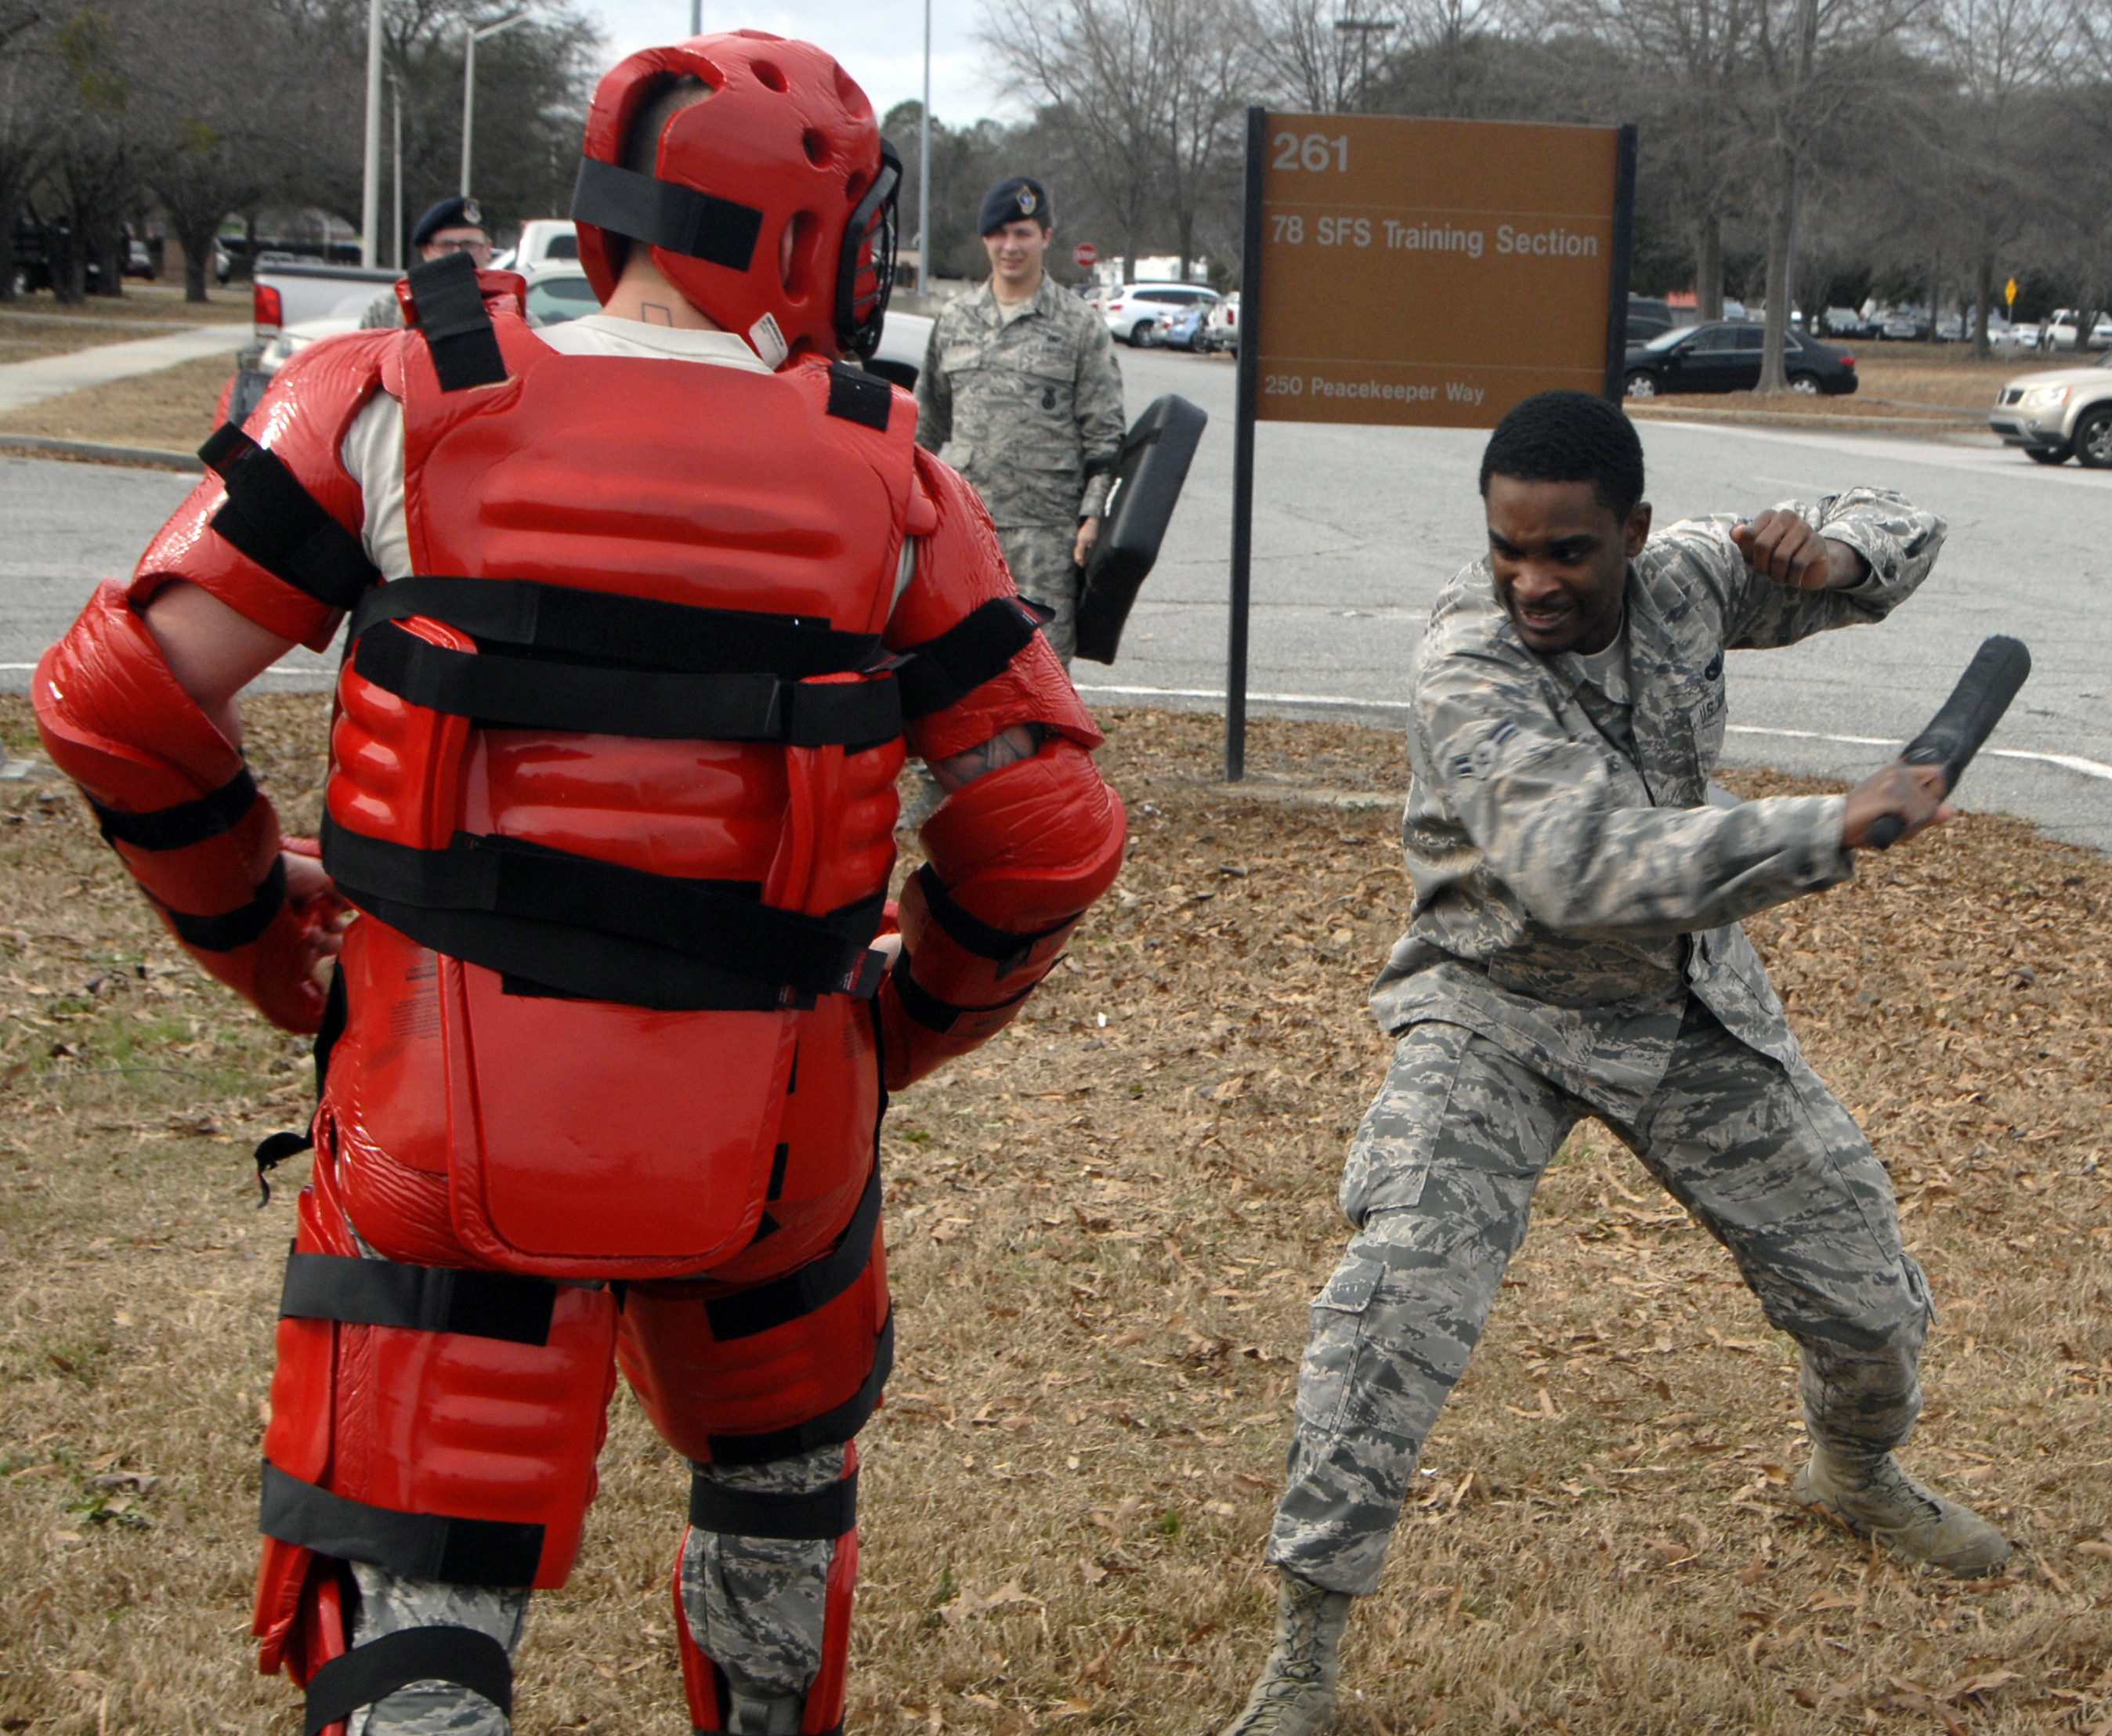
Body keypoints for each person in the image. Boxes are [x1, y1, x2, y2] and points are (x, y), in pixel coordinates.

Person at [34, 32, 1125, 1736]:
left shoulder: (389, 402)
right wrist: (887, 1032)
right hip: (779, 1128)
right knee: (776, 1517)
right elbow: (1044, 834)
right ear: (801, 234)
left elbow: (117, 698)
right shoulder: (895, 480)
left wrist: (261, 931)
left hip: (439, 1110)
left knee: (417, 1611)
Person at [1217, 391, 2009, 1736]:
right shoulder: (1468, 665)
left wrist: (1829, 556)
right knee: (1394, 1308)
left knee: (1870, 1300)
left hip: (1685, 1009)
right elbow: (1581, 866)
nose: (1532, 581)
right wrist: (1827, 826)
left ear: (1633, 533)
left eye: (1567, 553)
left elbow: (1909, 525)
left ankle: (1854, 1471)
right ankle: (1302, 1661)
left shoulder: (1689, 580)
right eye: (1507, 548)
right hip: (1497, 1013)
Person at [914, 175, 1125, 667]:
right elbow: (926, 424)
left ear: (1046, 237)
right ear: (985, 239)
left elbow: (1104, 434)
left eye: (1024, 233)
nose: (1011, 246)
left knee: (1041, 677)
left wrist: (1093, 516)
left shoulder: (1079, 325)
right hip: (967, 532)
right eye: (1000, 233)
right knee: (963, 672)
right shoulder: (955, 320)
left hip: (1046, 539)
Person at [358, 196, 494, 328]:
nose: (457, 254)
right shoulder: (387, 308)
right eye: (446, 245)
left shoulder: (501, 304)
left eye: (469, 245)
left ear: (488, 249)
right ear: (426, 251)